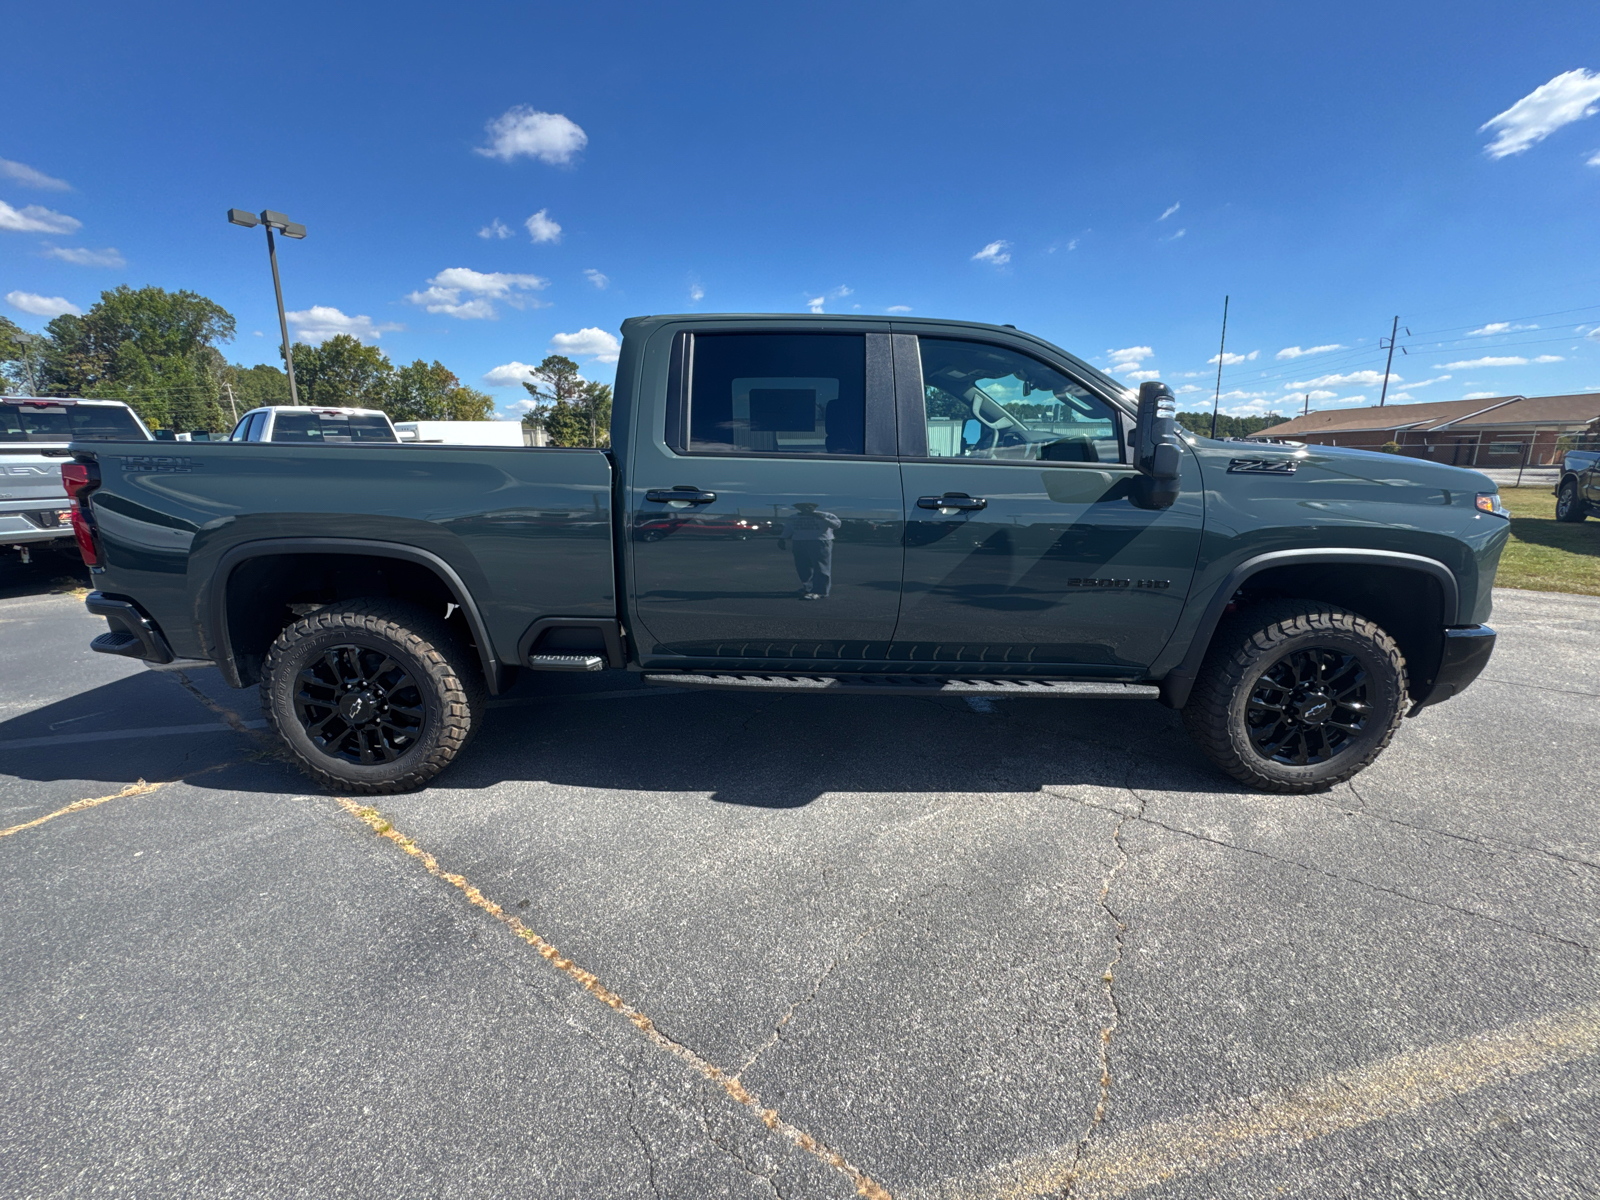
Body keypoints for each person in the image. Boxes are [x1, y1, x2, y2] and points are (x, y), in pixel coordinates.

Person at [776, 501, 841, 599]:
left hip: (819, 541)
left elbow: (836, 525)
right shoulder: (793, 517)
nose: (806, 509)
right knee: (803, 567)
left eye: (809, 507)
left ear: (814, 507)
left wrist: (822, 518)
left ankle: (820, 591)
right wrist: (782, 538)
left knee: (821, 567)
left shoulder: (826, 515)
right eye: (802, 507)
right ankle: (808, 588)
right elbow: (788, 529)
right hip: (799, 542)